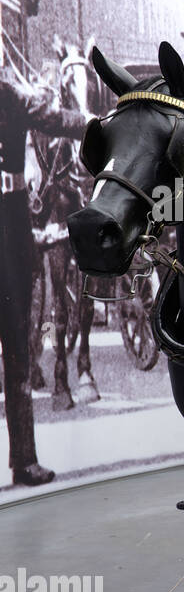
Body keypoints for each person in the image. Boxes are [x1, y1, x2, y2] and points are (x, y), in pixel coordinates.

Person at [0, 54, 87, 486]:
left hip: (11, 228)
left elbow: (57, 119)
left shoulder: (11, 97)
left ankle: (24, 459)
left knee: (18, 345)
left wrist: (95, 122)